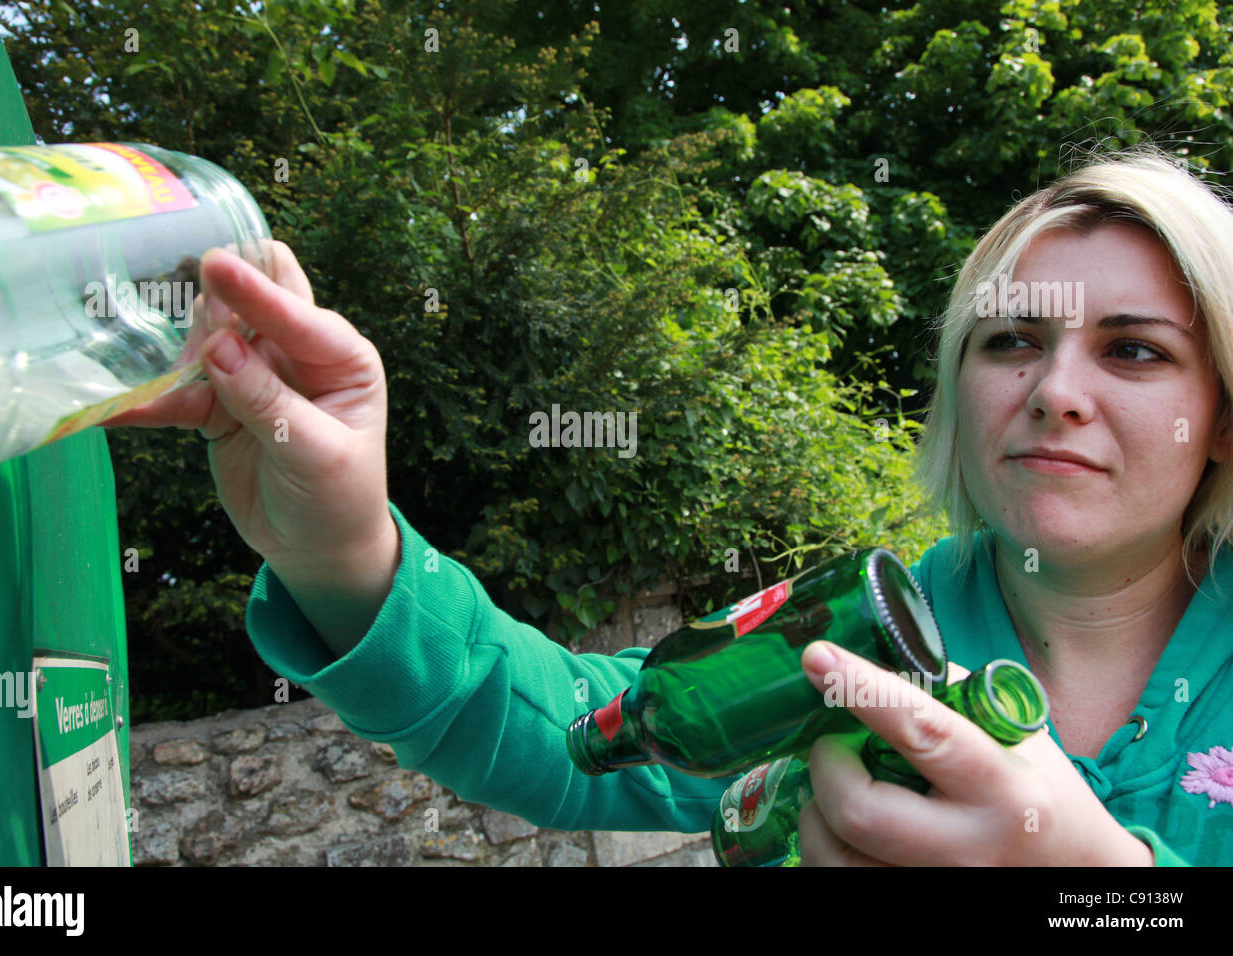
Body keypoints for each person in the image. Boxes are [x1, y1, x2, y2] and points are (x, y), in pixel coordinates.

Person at [103, 146, 1233, 866]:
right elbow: (577, 736)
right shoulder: (864, 625)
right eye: (1010, 342)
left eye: (1134, 350)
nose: (1053, 392)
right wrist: (341, 544)